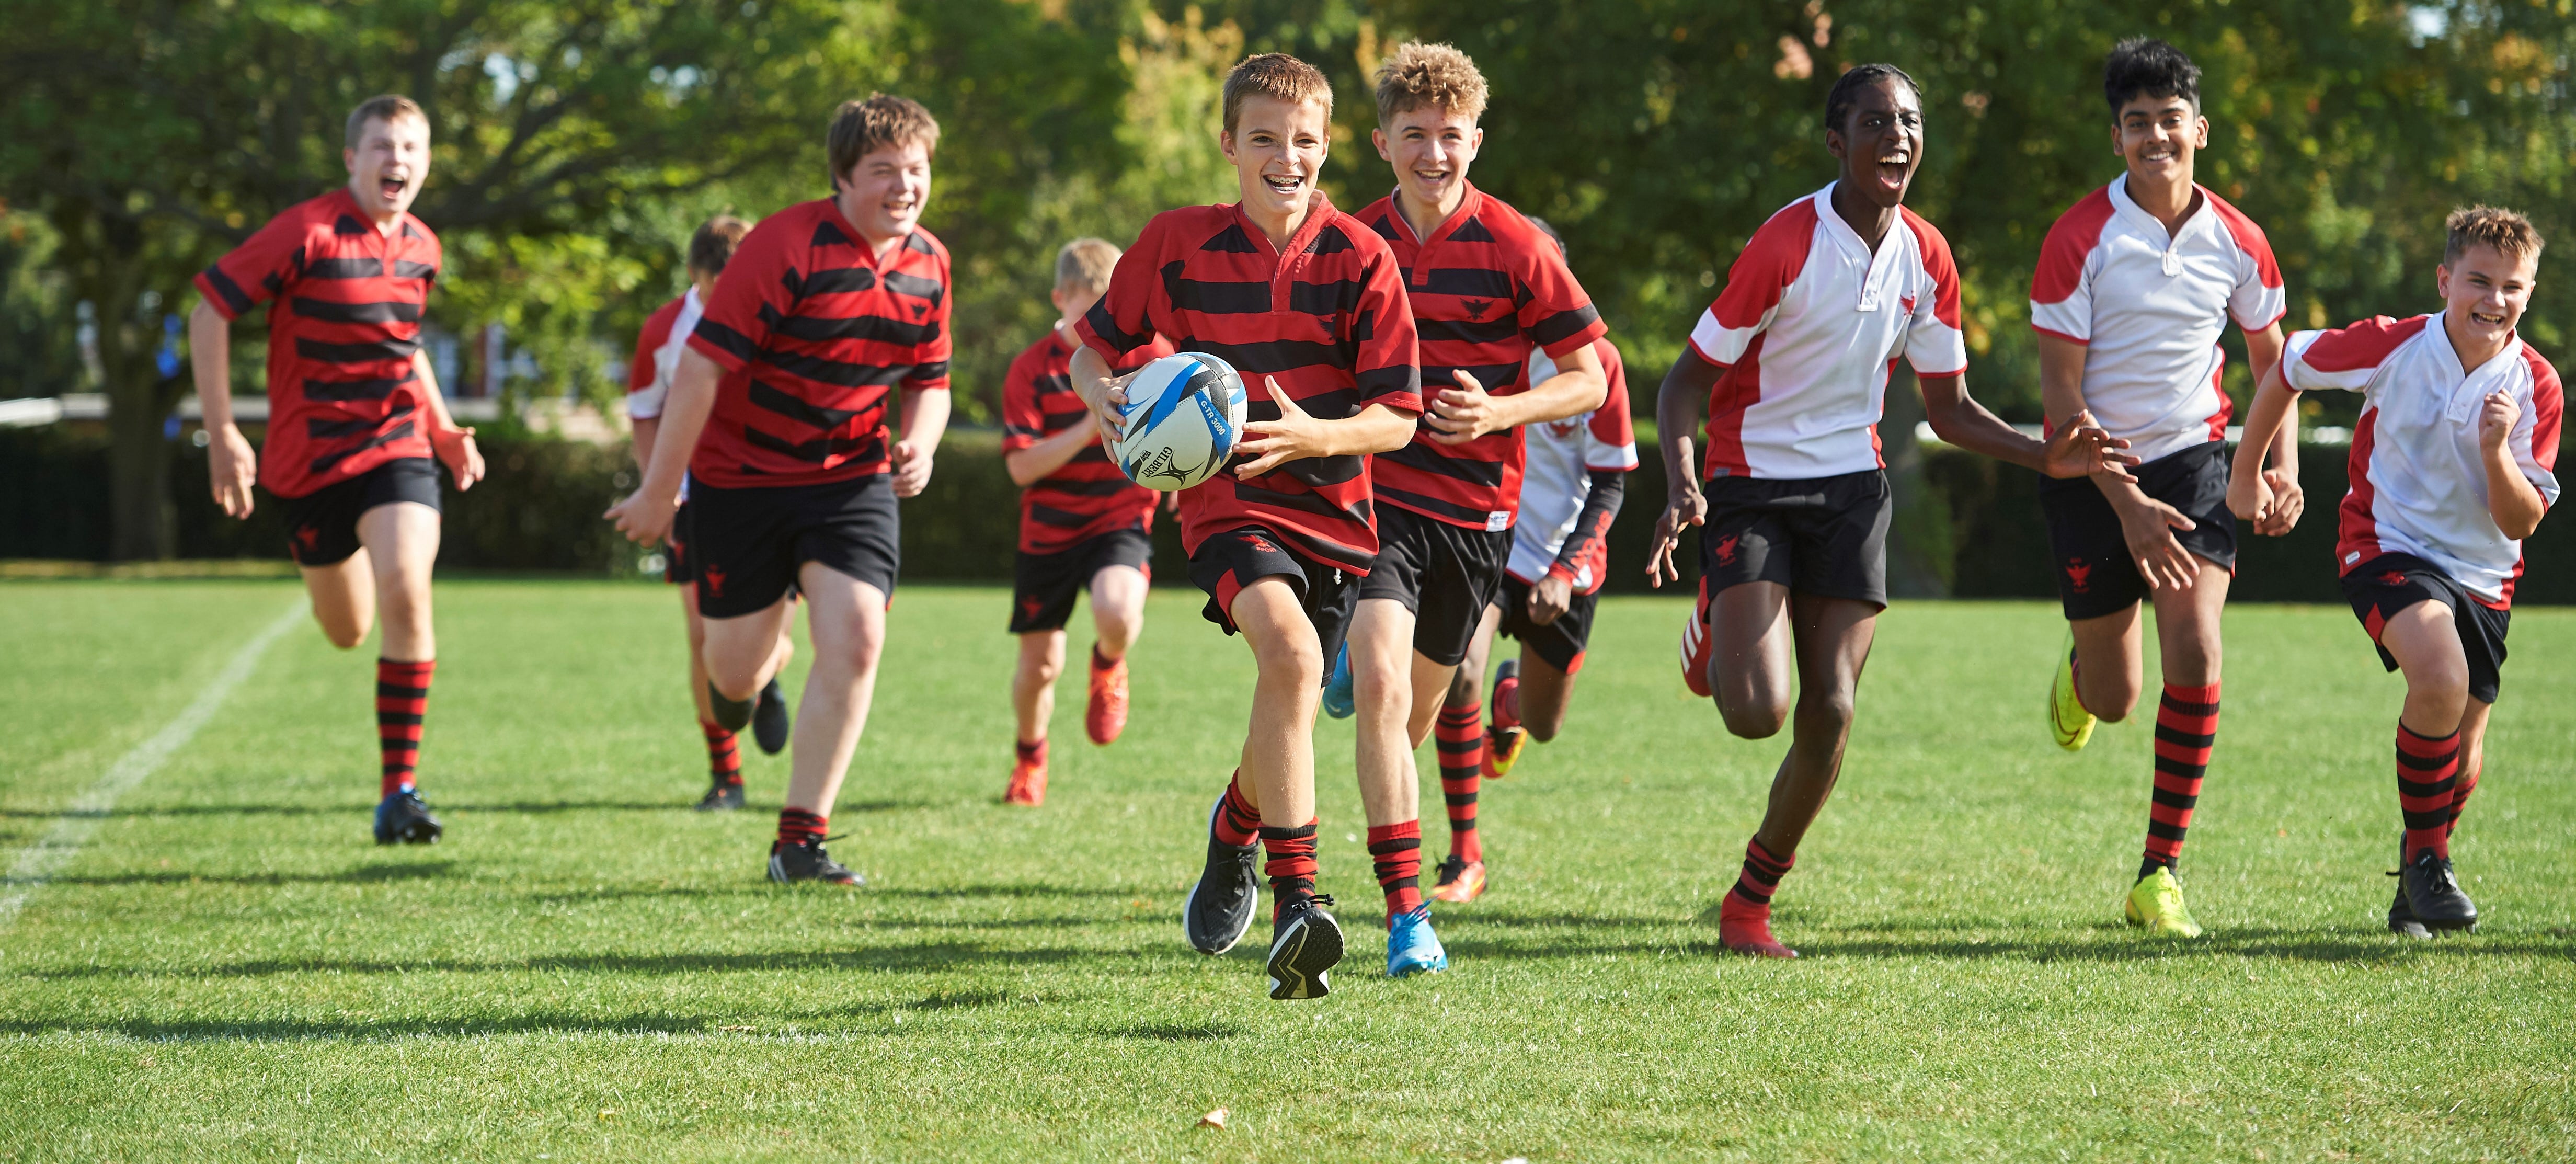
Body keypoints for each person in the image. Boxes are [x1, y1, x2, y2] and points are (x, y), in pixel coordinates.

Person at [1648, 65, 2131, 959]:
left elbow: (1947, 409)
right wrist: (1683, 484)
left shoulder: (1929, 255)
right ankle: (1718, 614)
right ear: (1837, 141)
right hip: (1750, 484)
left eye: (1909, 123)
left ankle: (1749, 902)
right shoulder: (1785, 242)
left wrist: (2043, 450)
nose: (1897, 138)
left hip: (1851, 491)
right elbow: (1684, 383)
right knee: (1755, 712)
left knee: (1829, 710)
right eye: (1875, 123)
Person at [1073, 53, 1421, 1000]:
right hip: (1229, 506)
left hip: (1339, 518)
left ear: (1327, 148)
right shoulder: (1177, 243)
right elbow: (1094, 346)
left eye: (1303, 140)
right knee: (1295, 661)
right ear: (1229, 145)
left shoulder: (1362, 257)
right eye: (1264, 138)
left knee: (1291, 692)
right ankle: (1299, 902)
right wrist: (1103, 403)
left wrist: (1318, 433)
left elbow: (1397, 416)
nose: (1286, 156)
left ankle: (1233, 831)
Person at [607, 94, 953, 887]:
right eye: (883, 172)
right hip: (742, 484)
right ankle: (754, 682)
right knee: (730, 672)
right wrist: (661, 493)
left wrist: (921, 446)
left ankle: (799, 840)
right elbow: (698, 370)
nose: (905, 186)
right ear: (840, 177)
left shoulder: (929, 262)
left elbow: (930, 380)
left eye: (916, 170)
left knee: (860, 637)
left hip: (849, 480)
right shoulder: (784, 246)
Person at [1326, 41, 1607, 965]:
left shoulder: (1518, 245)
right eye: (1415, 136)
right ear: (1380, 142)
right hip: (1373, 496)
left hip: (1477, 517)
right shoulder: (1353, 242)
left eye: (1449, 137)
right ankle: (1408, 916)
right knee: (1378, 686)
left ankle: (1246, 814)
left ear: (1475, 141)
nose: (1433, 155)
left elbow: (1586, 382)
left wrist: (1499, 409)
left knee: (1406, 728)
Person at [2027, 39, 2295, 938]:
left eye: (2169, 121)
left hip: (2193, 464)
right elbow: (2060, 396)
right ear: (2116, 138)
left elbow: (2274, 367)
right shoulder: (2077, 238)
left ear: (2199, 131)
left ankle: (2158, 875)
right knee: (2114, 698)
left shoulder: (2240, 240)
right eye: (2136, 123)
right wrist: (2124, 502)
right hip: (2089, 467)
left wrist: (2275, 467)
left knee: (2198, 651)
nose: (2155, 137)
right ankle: (2079, 674)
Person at [2230, 207, 2557, 938]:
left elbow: (2519, 521)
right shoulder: (2394, 345)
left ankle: (2413, 881)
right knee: (2436, 678)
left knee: (2463, 748)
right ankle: (2430, 863)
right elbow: (2285, 365)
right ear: (2444, 280)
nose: (2492, 299)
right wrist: (2244, 476)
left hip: (2484, 574)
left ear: (2529, 294)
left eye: (2511, 286)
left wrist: (2495, 449)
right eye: (2477, 280)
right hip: (2385, 544)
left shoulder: (2535, 384)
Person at [189, 95, 486, 847]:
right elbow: (209, 311)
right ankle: (397, 779)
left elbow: (404, 344)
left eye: (413, 148)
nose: (399, 161)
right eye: (383, 147)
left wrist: (443, 427)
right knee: (348, 629)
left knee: (407, 589)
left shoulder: (424, 246)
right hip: (307, 466)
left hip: (395, 445)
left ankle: (400, 792)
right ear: (351, 159)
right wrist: (222, 429)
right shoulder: (305, 233)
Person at [626, 215, 799, 812]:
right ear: (694, 278)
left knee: (771, 641)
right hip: (702, 500)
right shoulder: (665, 330)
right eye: (713, 288)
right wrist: (661, 486)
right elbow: (645, 411)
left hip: (782, 493)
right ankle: (726, 776)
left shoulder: (787, 312)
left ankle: (766, 676)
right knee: (702, 636)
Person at [997, 237, 1175, 807]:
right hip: (1048, 532)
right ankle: (1031, 757)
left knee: (1117, 609)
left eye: (1110, 308)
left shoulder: (1151, 357)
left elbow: (1189, 426)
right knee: (1039, 667)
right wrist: (1091, 415)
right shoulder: (1031, 369)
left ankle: (1108, 663)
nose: (1100, 323)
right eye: (1087, 309)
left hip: (1117, 519)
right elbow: (1022, 467)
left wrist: (1181, 475)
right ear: (1060, 299)